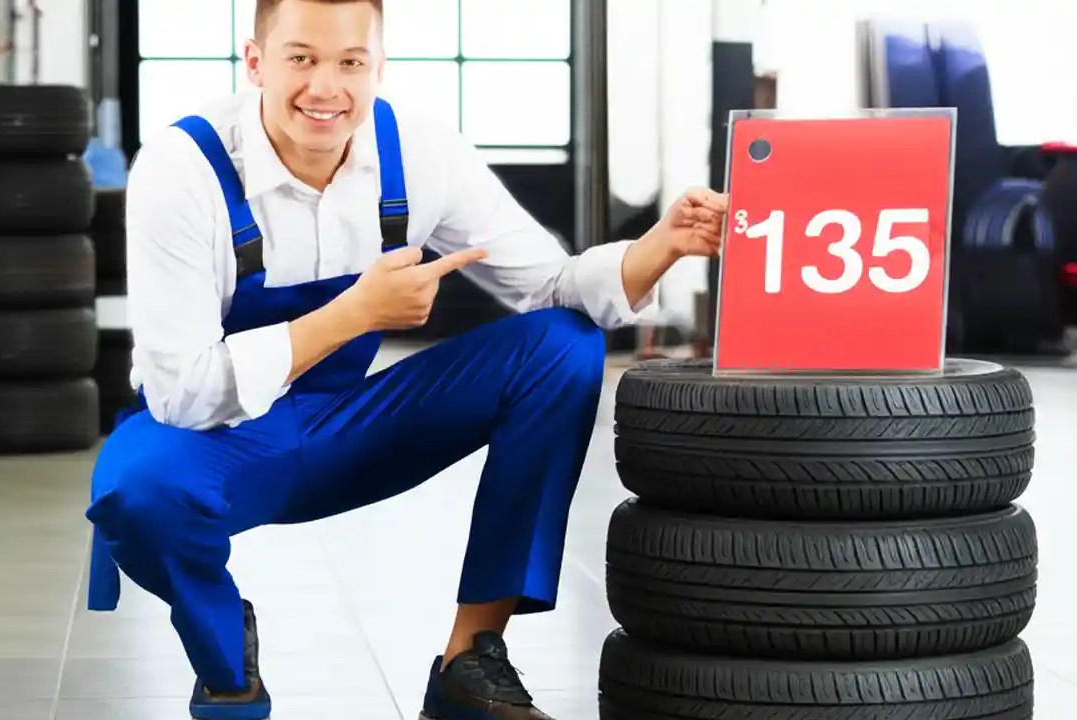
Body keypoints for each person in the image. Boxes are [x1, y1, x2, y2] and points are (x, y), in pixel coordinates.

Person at [83, 0, 727, 718]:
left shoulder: (417, 153)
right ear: (256, 61)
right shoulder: (183, 168)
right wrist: (353, 314)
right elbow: (181, 392)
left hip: (350, 428)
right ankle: (226, 663)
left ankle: (470, 660)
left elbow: (552, 285)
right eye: (301, 58)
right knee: (135, 495)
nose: (326, 88)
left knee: (559, 347)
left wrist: (661, 246)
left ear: (377, 67)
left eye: (350, 62)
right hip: (213, 442)